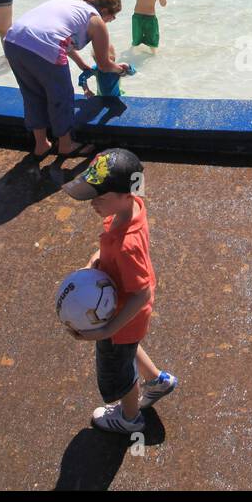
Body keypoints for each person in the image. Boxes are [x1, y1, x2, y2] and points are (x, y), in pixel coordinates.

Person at [61, 149, 178, 435]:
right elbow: (112, 250)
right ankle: (157, 381)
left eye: (100, 197)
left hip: (123, 312)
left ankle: (130, 417)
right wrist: (95, 261)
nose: (92, 203)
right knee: (128, 346)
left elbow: (142, 294)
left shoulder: (127, 244)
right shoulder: (132, 207)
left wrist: (106, 330)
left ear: (126, 194)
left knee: (121, 371)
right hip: (125, 314)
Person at [2, 0, 125, 158]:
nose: (113, 19)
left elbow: (59, 34)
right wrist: (120, 70)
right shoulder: (97, 22)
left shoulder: (68, 3)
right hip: (44, 45)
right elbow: (104, 65)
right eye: (113, 14)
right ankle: (66, 145)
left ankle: (41, 144)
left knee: (32, 93)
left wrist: (80, 63)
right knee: (62, 96)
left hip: (13, 40)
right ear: (104, 10)